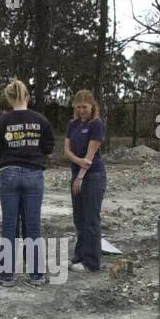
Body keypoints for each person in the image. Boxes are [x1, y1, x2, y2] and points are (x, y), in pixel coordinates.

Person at [0, 79, 54, 286]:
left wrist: (5, 156)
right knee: (32, 225)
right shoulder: (40, 119)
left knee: (9, 224)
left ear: (8, 98)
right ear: (27, 96)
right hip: (34, 174)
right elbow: (49, 146)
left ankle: (7, 275)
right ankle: (37, 275)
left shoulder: (2, 122)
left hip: (9, 173)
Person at [65, 89, 106, 273]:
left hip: (92, 175)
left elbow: (90, 155)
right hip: (77, 171)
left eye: (85, 107)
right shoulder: (72, 124)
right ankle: (79, 255)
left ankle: (92, 262)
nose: (82, 110)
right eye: (79, 107)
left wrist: (81, 175)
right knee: (79, 218)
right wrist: (77, 162)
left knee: (91, 219)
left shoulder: (96, 124)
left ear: (92, 106)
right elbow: (66, 150)